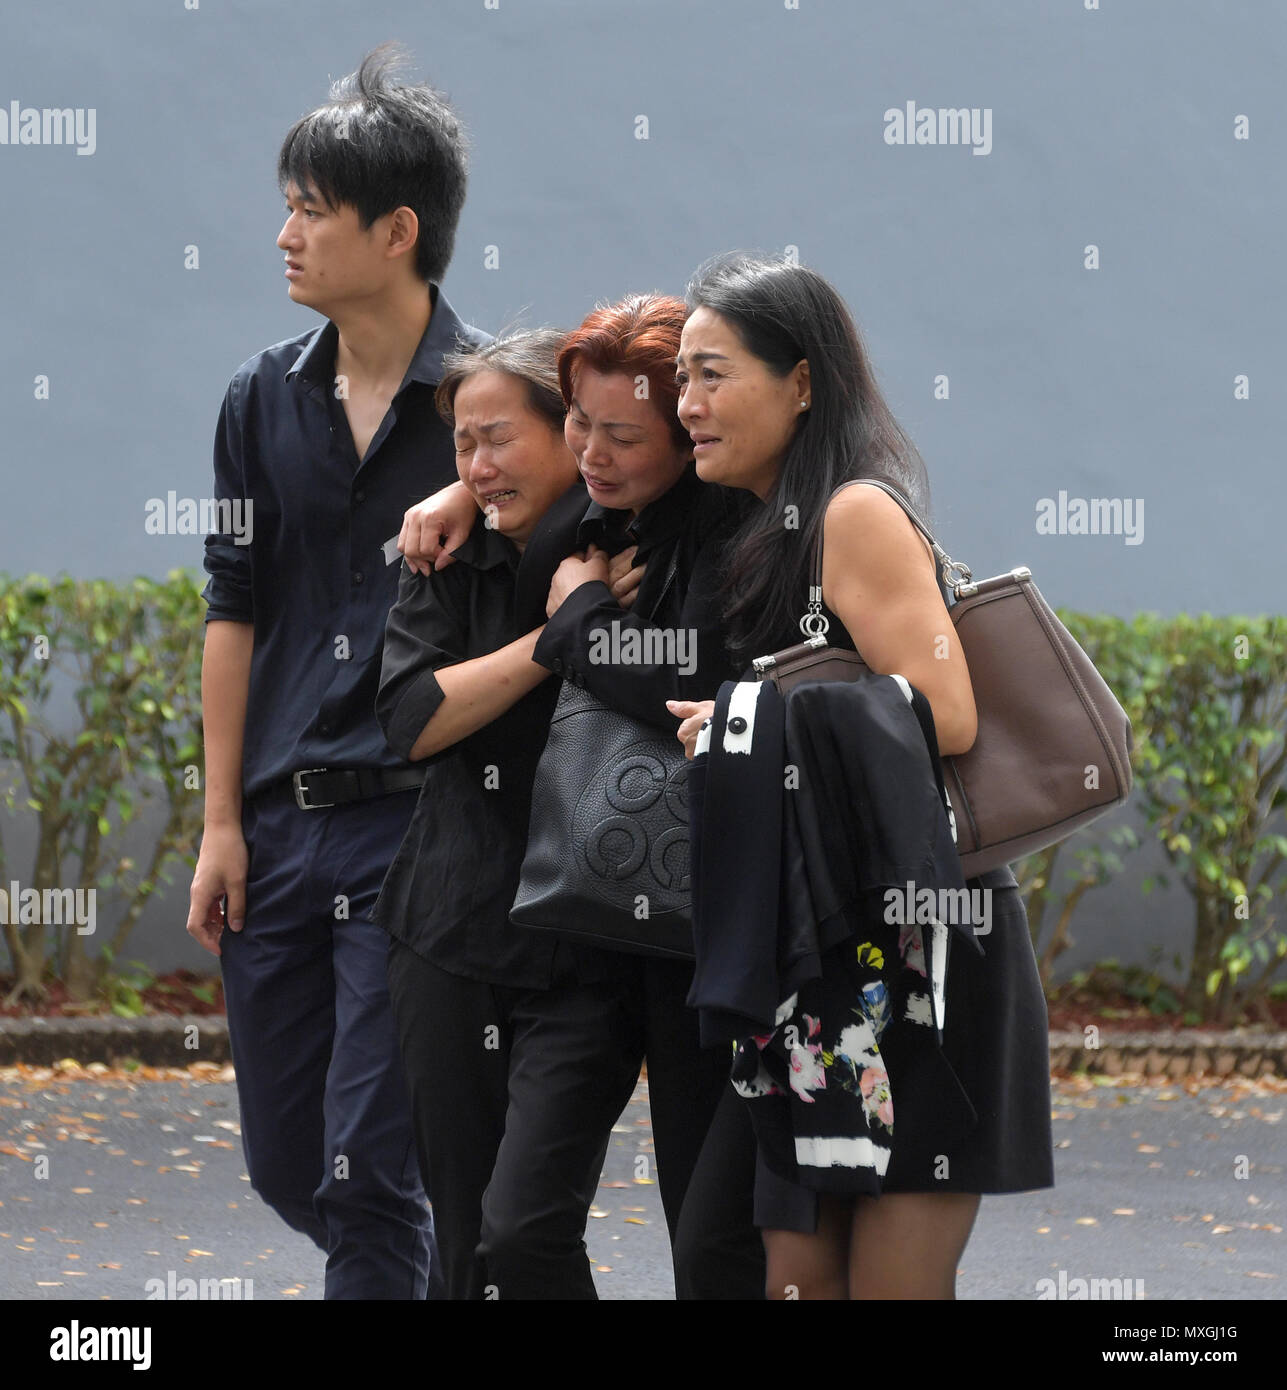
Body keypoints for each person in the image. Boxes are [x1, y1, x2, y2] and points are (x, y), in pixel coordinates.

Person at [668, 253, 1055, 1300]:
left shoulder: (854, 514)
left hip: (918, 953)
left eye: (711, 373)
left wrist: (754, 720)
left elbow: (949, 710)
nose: (686, 403)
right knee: (794, 1277)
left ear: (802, 381)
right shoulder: (757, 527)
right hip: (814, 961)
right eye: (680, 378)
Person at [187, 45, 488, 1298]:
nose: (284, 235)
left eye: (311, 209)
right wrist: (217, 824)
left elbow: (625, 462)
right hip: (277, 828)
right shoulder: (260, 400)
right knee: (286, 1163)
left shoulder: (493, 401)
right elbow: (233, 610)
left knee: (371, 1167)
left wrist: (481, 476)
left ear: (397, 229)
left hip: (418, 832)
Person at [397, 293, 766, 1299]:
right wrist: (461, 497)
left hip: (705, 929)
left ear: (686, 429)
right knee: (502, 1236)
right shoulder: (595, 511)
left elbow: (687, 674)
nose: (594, 452)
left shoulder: (735, 523)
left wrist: (585, 613)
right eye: (579, 425)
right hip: (588, 919)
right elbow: (520, 538)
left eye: (623, 434)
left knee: (715, 1236)